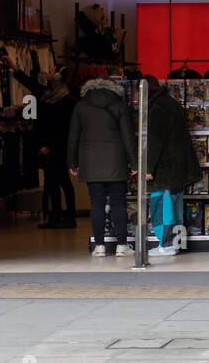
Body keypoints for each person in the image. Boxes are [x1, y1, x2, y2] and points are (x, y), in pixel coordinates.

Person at [68, 77, 138, 258]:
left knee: (97, 203)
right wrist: (134, 163)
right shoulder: (119, 105)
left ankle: (99, 246)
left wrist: (72, 162)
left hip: (90, 161)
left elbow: (73, 136)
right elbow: (128, 137)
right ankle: (122, 246)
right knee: (118, 203)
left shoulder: (81, 106)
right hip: (116, 159)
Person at [14, 65, 78, 228]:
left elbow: (65, 128)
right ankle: (56, 216)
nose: (48, 74)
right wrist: (15, 69)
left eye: (52, 72)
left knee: (60, 181)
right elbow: (31, 84)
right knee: (53, 182)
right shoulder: (47, 95)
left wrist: (50, 145)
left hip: (58, 148)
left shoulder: (67, 101)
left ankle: (66, 216)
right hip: (48, 147)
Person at [144, 76, 201, 258]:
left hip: (165, 168)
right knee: (176, 205)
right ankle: (175, 243)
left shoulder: (157, 108)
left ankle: (166, 244)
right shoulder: (172, 103)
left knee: (161, 205)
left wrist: (148, 168)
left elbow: (155, 141)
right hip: (179, 165)